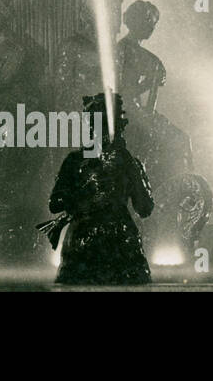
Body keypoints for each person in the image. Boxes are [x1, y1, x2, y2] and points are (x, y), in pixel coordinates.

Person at [43, 93, 153, 285]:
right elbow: (144, 207)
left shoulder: (74, 161)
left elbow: (56, 203)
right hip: (121, 243)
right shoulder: (127, 162)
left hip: (84, 243)